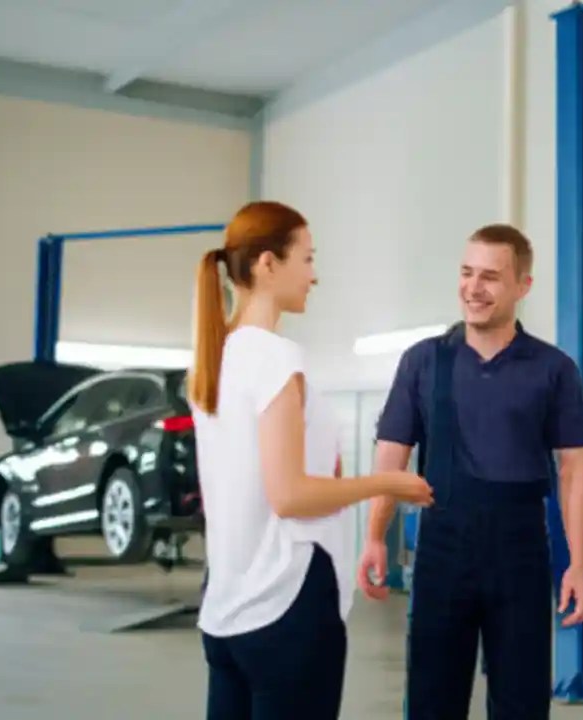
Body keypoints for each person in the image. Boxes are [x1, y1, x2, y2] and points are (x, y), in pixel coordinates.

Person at [187, 201, 433, 720]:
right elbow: (291, 495)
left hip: (227, 609)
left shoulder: (214, 358)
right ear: (266, 264)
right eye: (307, 258)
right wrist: (387, 481)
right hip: (285, 602)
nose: (314, 275)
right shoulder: (275, 357)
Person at [358, 223, 583, 720]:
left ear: (521, 287)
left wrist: (579, 562)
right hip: (442, 548)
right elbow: (391, 457)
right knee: (431, 701)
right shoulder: (424, 363)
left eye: (490, 276)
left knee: (522, 702)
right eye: (467, 273)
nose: (474, 287)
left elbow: (574, 467)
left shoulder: (553, 369)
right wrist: (375, 535)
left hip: (521, 552)